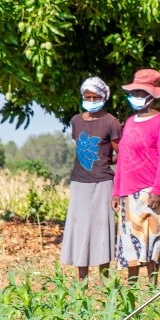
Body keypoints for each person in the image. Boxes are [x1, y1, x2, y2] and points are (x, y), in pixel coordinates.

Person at [114, 69, 160, 283]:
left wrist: (157, 190)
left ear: (152, 96)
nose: (137, 97)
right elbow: (122, 157)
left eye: (141, 93)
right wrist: (116, 190)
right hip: (128, 191)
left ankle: (152, 285)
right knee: (129, 239)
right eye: (135, 92)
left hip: (150, 190)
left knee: (152, 239)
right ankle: (131, 285)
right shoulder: (129, 121)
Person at [61, 77, 122, 279]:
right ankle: (81, 281)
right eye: (88, 97)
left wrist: (106, 161)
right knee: (80, 229)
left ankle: (105, 281)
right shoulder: (76, 121)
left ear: (104, 97)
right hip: (79, 181)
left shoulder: (111, 122)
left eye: (96, 97)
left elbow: (120, 153)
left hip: (102, 181)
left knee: (101, 229)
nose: (92, 100)